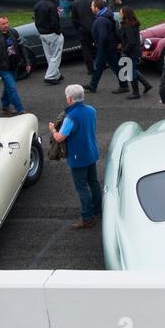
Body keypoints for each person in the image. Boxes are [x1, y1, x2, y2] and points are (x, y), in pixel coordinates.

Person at [48, 85, 102, 230]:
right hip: (91, 152)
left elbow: (60, 138)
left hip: (78, 157)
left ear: (70, 99)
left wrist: (53, 129)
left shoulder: (70, 117)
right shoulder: (91, 110)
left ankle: (87, 218)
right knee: (93, 182)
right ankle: (98, 210)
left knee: (82, 187)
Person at [0, 15, 27, 115]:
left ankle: (5, 106)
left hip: (14, 65)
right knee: (12, 88)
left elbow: (22, 47)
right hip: (2, 68)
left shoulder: (13, 32)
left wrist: (27, 62)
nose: (6, 25)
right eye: (3, 24)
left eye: (7, 23)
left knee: (8, 87)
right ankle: (20, 110)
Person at [119, 7, 153, 98]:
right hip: (134, 51)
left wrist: (125, 51)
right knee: (132, 70)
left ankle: (136, 93)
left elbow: (131, 42)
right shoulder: (132, 24)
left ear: (125, 14)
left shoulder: (128, 26)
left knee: (130, 72)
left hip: (130, 52)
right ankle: (146, 85)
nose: (119, 14)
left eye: (120, 12)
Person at [35, 0, 64, 85]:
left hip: (42, 33)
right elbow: (54, 22)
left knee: (49, 55)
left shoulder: (38, 5)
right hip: (52, 33)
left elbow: (36, 20)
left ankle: (56, 74)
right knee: (56, 55)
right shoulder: (52, 6)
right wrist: (58, 32)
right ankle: (50, 76)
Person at [70, 0, 97, 68]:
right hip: (96, 28)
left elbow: (74, 19)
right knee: (100, 47)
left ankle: (90, 68)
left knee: (86, 49)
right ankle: (101, 65)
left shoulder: (75, 2)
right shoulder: (96, 0)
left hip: (82, 29)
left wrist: (78, 28)